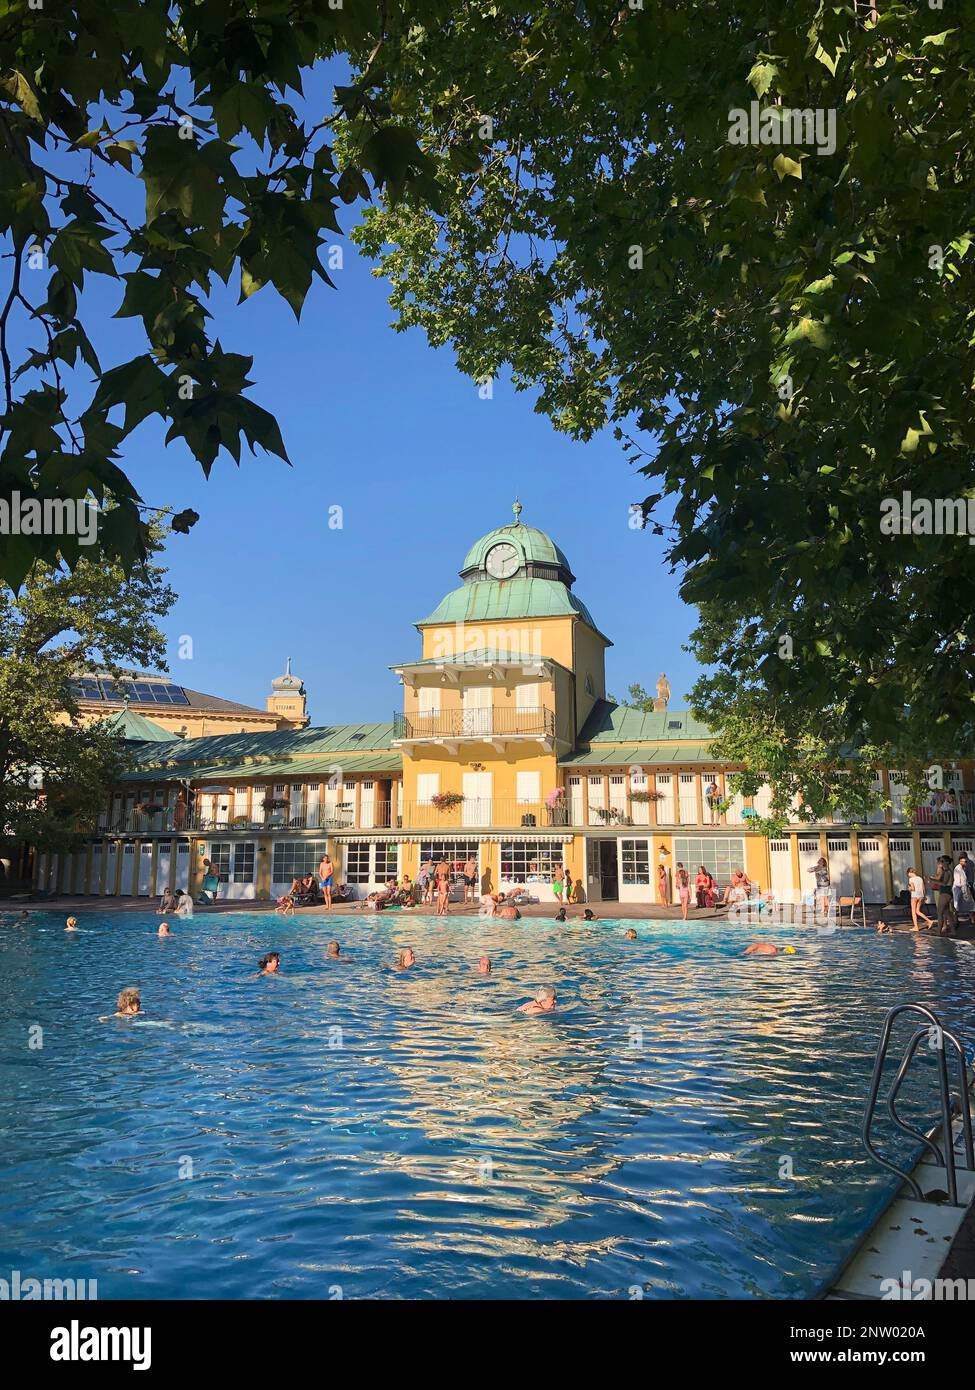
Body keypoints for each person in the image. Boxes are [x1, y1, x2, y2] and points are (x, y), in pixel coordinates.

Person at [927, 855, 956, 937]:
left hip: (945, 893)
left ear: (947, 862)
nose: (941, 863)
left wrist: (931, 880)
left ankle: (938, 932)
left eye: (942, 861)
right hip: (946, 892)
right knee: (947, 913)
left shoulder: (947, 872)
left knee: (939, 913)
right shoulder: (946, 871)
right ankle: (953, 931)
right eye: (940, 861)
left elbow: (944, 883)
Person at [907, 867, 934, 932]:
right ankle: (929, 921)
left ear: (910, 873)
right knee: (918, 911)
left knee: (913, 912)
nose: (908, 875)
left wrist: (909, 889)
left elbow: (913, 889)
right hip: (921, 896)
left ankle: (916, 927)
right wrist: (924, 896)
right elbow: (923, 888)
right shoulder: (920, 878)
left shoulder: (911, 879)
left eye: (908, 874)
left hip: (914, 896)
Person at [952, 856, 975, 923]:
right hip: (959, 889)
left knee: (970, 904)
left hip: (964, 888)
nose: (964, 863)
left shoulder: (963, 868)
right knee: (957, 905)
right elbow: (957, 881)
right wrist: (963, 887)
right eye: (963, 861)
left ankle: (972, 919)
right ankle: (955, 920)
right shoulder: (957, 869)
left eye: (965, 861)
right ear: (960, 861)